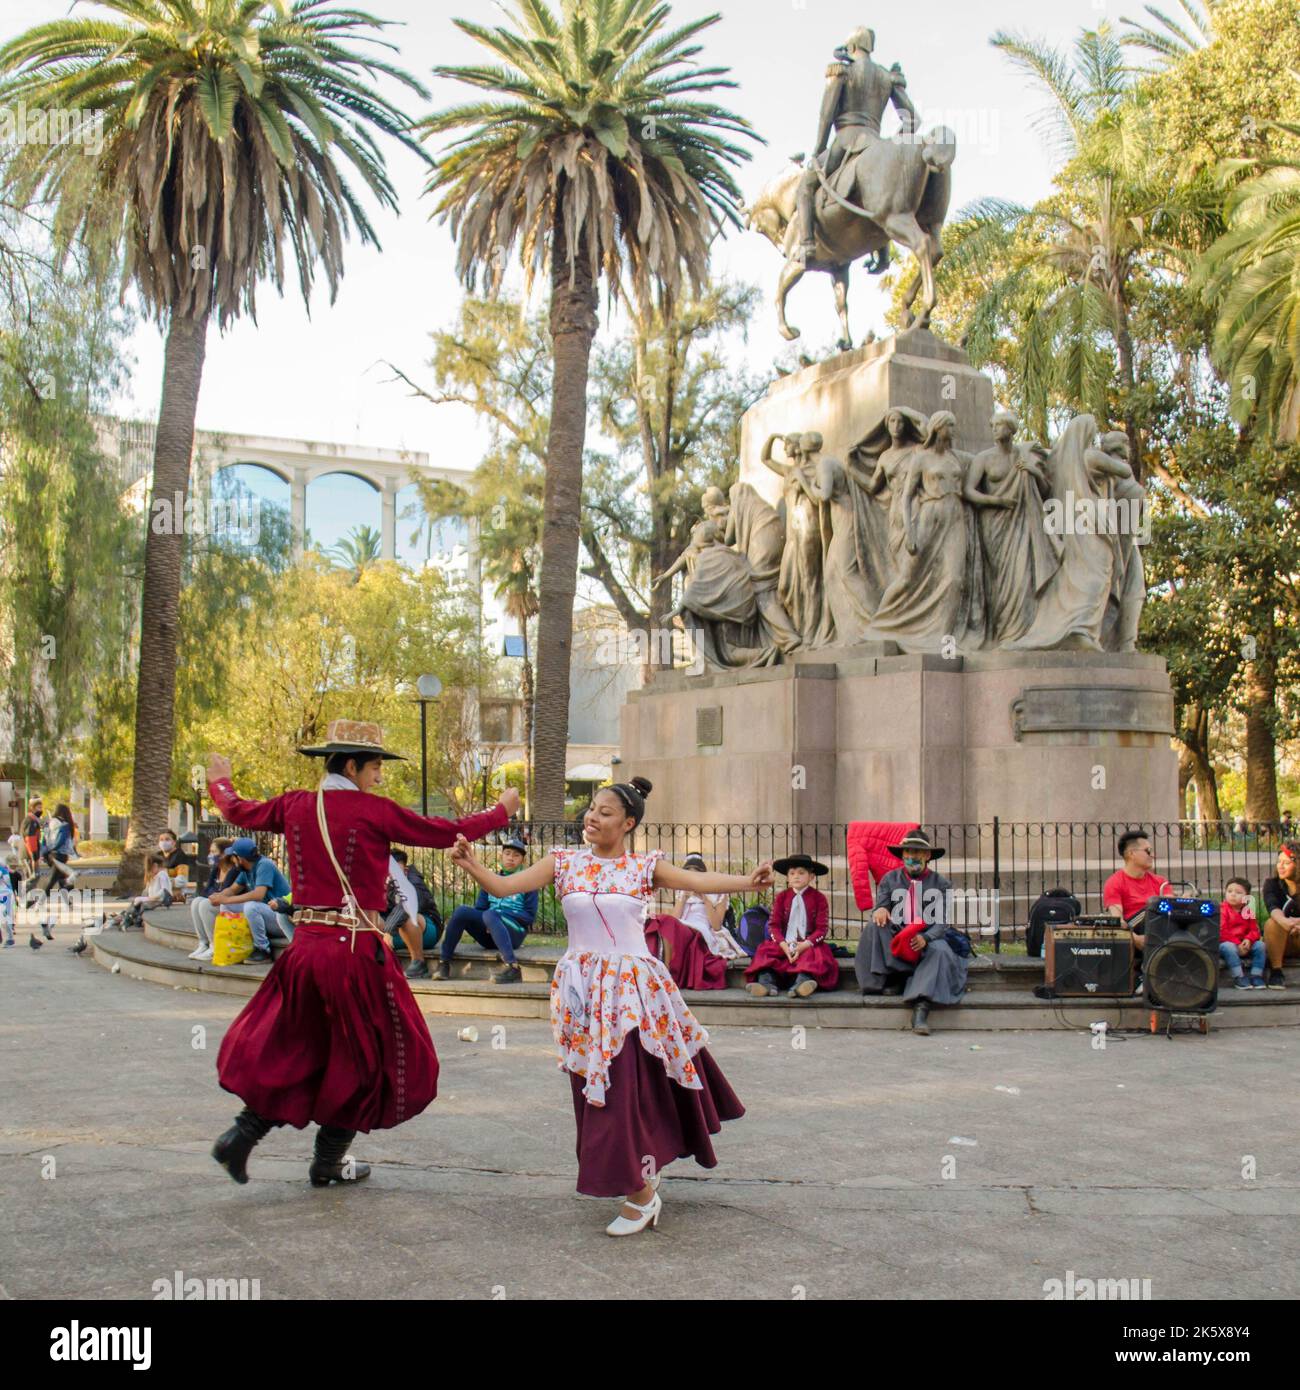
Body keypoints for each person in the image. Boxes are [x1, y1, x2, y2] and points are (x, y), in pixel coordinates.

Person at [205, 719, 518, 1189]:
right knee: (369, 1059)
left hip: (304, 950)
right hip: (353, 952)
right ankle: (327, 1162)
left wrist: (220, 781)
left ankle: (242, 1135)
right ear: (350, 765)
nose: (379, 776)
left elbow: (240, 811)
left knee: (300, 1048)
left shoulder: (294, 805)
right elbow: (443, 830)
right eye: (374, 767)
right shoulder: (371, 811)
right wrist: (500, 812)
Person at [451, 777, 768, 1236]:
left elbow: (699, 880)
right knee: (599, 1086)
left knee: (628, 1085)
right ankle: (643, 1172)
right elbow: (502, 887)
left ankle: (641, 1193)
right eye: (591, 809)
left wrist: (747, 881)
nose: (592, 817)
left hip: (635, 991)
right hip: (583, 994)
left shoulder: (645, 867)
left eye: (604, 812)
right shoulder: (562, 863)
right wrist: (470, 865)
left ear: (628, 823)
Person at [856, 830, 967, 1034]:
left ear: (927, 856)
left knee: (940, 951)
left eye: (916, 852)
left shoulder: (941, 884)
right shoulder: (890, 879)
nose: (911, 856)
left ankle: (921, 1007)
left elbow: (942, 922)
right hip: (899, 933)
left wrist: (926, 937)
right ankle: (892, 978)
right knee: (874, 927)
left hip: (927, 936)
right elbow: (881, 906)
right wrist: (880, 909)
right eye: (907, 851)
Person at [439, 835, 537, 984]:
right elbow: (480, 909)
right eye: (508, 853)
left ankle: (513, 967)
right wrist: (489, 921)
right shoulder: (490, 880)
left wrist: (496, 917)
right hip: (489, 934)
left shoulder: (528, 882)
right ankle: (443, 963)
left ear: (522, 860)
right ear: (501, 856)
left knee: (491, 914)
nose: (511, 858)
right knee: (462, 912)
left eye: (516, 855)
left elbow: (529, 917)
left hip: (514, 933)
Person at [646, 853, 744, 992]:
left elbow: (716, 925)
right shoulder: (683, 893)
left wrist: (704, 895)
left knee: (668, 923)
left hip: (700, 930)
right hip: (683, 926)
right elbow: (674, 918)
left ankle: (667, 974)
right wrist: (683, 899)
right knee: (663, 922)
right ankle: (665, 970)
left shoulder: (718, 894)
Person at [744, 853, 839, 998]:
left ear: (811, 876)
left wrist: (804, 945)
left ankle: (801, 983)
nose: (796, 876)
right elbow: (773, 926)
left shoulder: (819, 899)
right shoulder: (782, 897)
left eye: (801, 873)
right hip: (785, 943)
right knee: (766, 952)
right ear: (787, 878)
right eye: (792, 873)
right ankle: (766, 983)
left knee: (815, 956)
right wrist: (783, 945)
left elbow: (822, 929)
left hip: (806, 943)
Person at [1102, 830, 1171, 992]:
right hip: (1133, 929)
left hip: (1159, 927)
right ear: (1132, 854)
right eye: (1148, 851)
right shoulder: (1115, 882)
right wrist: (1134, 938)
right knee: (1153, 908)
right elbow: (1117, 919)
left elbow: (1172, 909)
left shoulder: (1160, 881)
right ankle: (1147, 974)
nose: (1152, 855)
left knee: (1165, 910)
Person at [218, 838, 294, 964]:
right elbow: (232, 889)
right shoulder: (246, 869)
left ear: (240, 858)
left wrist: (228, 898)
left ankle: (263, 950)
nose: (232, 860)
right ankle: (233, 945)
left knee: (251, 906)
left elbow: (259, 895)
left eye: (233, 857)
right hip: (267, 915)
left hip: (282, 919)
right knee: (226, 906)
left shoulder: (264, 865)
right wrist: (219, 897)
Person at [385, 849, 442, 981]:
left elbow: (409, 903)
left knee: (409, 917)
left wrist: (388, 930)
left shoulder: (414, 880)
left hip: (426, 931)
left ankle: (418, 962)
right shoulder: (383, 881)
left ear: (405, 869)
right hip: (397, 933)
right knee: (372, 917)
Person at [188, 843, 242, 961]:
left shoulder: (234, 870)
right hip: (218, 900)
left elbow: (225, 891)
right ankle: (203, 943)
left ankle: (214, 945)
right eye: (210, 852)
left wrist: (213, 895)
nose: (210, 855)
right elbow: (207, 889)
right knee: (196, 901)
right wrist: (212, 895)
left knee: (205, 904)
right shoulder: (217, 868)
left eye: (214, 852)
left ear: (224, 854)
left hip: (230, 905)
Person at [1260, 840, 1300, 990]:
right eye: (1279, 862)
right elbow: (1273, 908)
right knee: (1272, 923)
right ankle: (1276, 972)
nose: (1280, 866)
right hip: (1284, 938)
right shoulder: (1272, 884)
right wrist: (1288, 923)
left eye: (1286, 863)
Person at [1219, 877, 1265, 990]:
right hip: (1227, 943)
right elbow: (1221, 931)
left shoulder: (1248, 911)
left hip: (1245, 944)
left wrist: (1249, 939)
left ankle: (1256, 975)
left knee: (1260, 946)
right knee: (1228, 947)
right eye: (1229, 891)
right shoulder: (1222, 909)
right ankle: (1238, 976)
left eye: (1238, 892)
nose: (1233, 894)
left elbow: (1255, 930)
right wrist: (1237, 944)